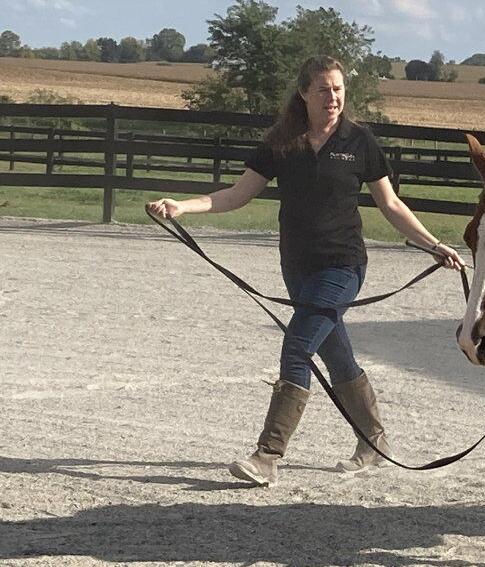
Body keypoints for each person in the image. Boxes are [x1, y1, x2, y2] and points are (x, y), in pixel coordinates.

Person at [147, 55, 465, 486]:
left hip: (343, 265)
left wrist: (433, 245)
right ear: (303, 93)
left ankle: (268, 455)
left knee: (297, 348)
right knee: (337, 354)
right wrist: (182, 206)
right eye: (323, 89)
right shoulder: (282, 141)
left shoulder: (359, 141)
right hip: (297, 268)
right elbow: (237, 195)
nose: (332, 97)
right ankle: (375, 441)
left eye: (338, 89)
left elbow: (391, 204)